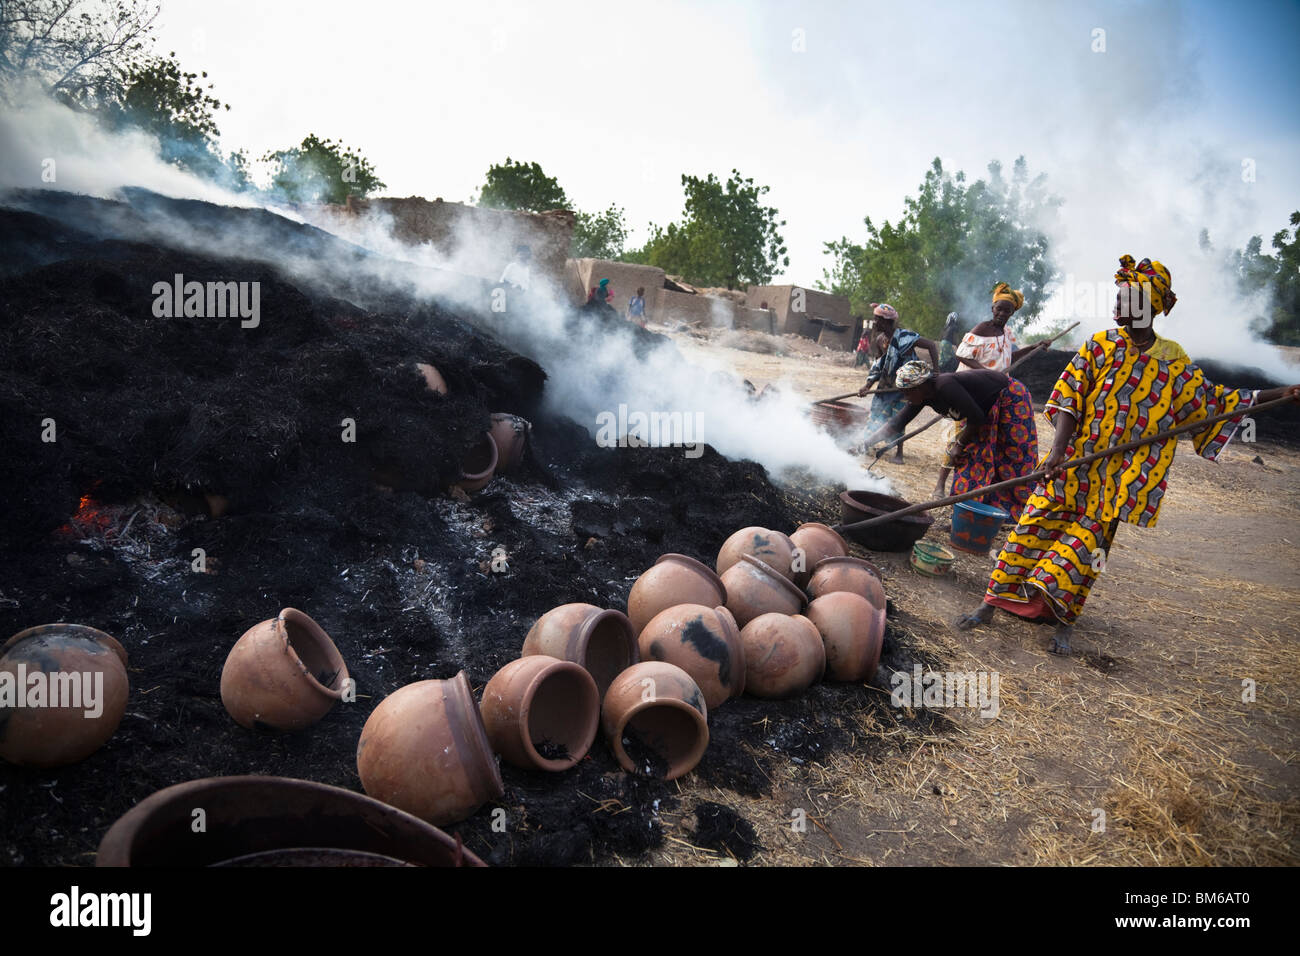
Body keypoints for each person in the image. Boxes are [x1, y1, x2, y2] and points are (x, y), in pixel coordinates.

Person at [955, 255, 1300, 655]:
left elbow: (1217, 401)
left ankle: (1063, 622)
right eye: (1117, 297)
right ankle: (990, 604)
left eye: (1126, 298)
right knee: (1027, 532)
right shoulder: (1100, 346)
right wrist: (1057, 453)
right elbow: (1068, 398)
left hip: (1117, 483)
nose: (1116, 305)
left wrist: (1281, 393)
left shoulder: (1173, 361)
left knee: (1085, 555)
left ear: (1149, 306)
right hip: (1071, 467)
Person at [862, 361, 1038, 520]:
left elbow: (976, 418)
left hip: (1009, 398)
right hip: (979, 414)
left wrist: (959, 444)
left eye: (906, 392)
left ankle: (1016, 514)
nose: (905, 397)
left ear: (919, 386)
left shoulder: (945, 386)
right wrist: (865, 444)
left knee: (1012, 456)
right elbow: (895, 424)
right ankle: (965, 516)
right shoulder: (924, 394)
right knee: (971, 461)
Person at [855, 303, 939, 461]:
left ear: (886, 321)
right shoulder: (880, 340)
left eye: (877, 320)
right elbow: (880, 366)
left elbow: (931, 345)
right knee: (876, 414)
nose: (875, 323)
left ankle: (899, 453)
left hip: (906, 388)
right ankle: (866, 445)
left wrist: (936, 370)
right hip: (886, 387)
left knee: (899, 419)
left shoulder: (905, 337)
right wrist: (867, 385)